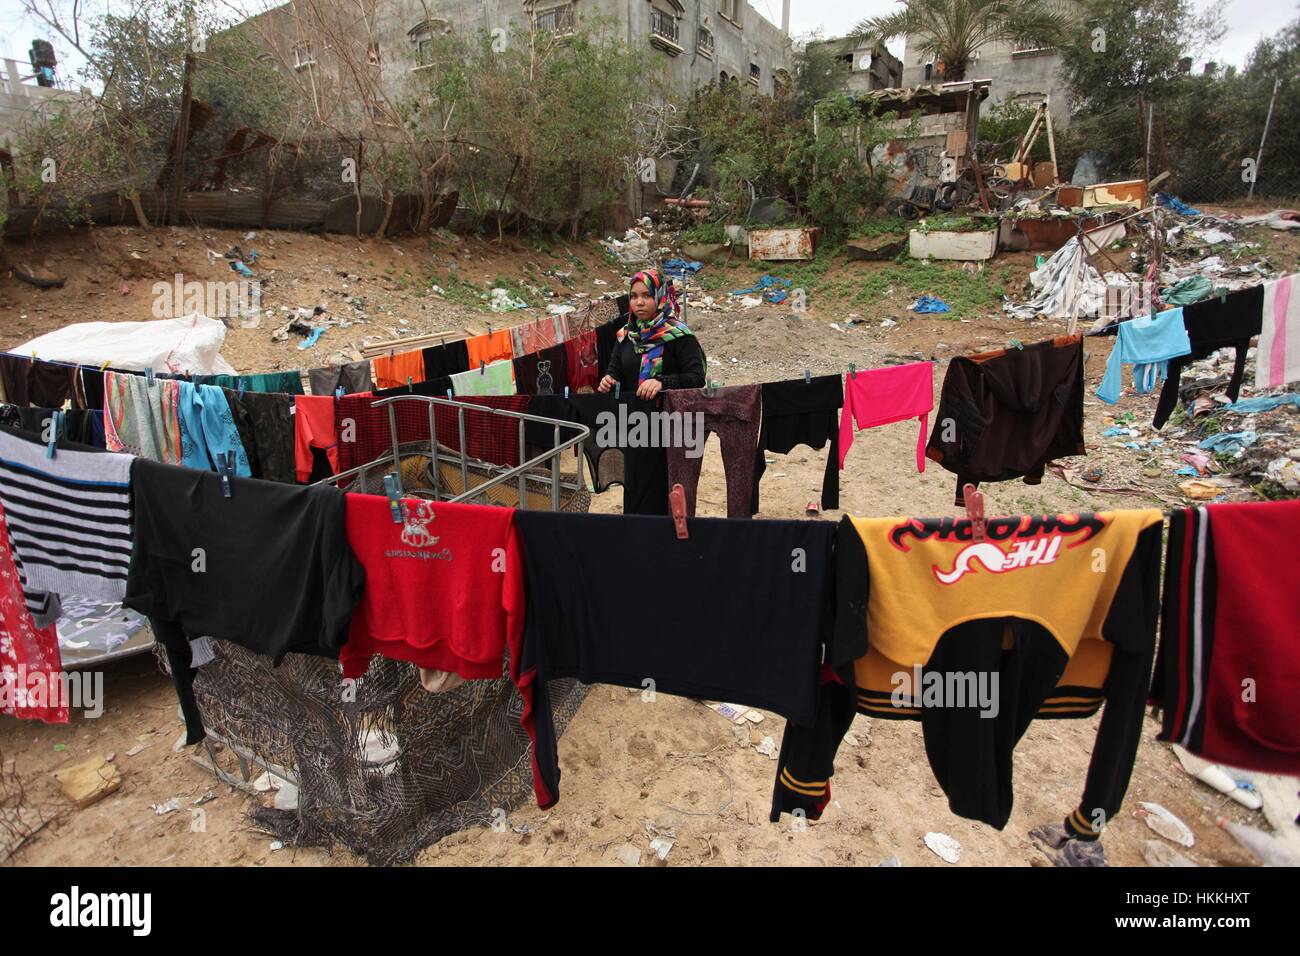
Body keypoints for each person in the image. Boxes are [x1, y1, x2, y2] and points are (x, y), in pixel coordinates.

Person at [598, 269, 706, 396]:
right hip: (631, 413)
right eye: (633, 296)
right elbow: (614, 373)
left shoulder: (678, 334)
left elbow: (696, 378)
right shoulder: (625, 335)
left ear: (660, 297)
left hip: (669, 413)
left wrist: (662, 383)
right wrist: (608, 382)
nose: (639, 303)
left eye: (647, 295)